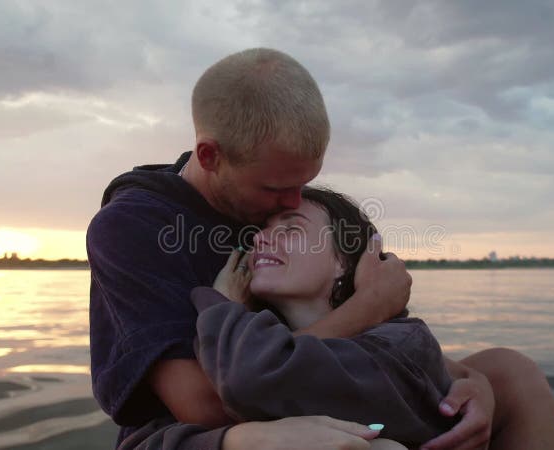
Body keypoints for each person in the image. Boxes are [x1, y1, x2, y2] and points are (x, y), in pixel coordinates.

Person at [88, 47, 554, 450]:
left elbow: (398, 349)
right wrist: (368, 306)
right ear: (211, 156)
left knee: (509, 373)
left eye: (305, 185)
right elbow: (206, 405)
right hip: (210, 428)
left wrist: (473, 385)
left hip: (308, 377)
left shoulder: (274, 210)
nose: (292, 203)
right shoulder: (134, 229)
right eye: (276, 189)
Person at [190, 186, 456, 449]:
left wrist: (221, 306)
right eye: (262, 229)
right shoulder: (259, 339)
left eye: (291, 229)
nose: (260, 238)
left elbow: (251, 380)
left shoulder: (401, 344)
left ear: (344, 260)